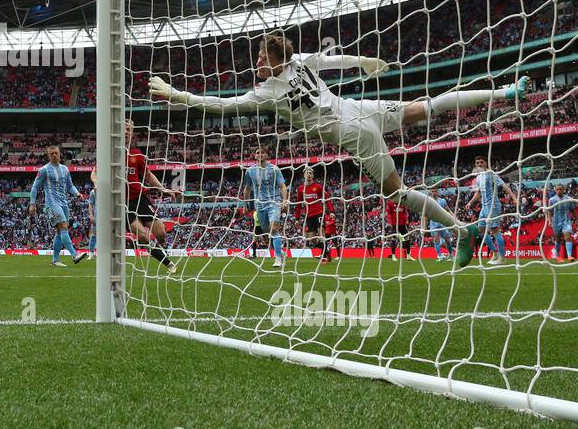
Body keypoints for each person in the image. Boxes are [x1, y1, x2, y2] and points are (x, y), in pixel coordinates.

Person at [150, 32, 531, 268]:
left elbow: (220, 105)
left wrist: (175, 94)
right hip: (358, 107)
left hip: (352, 132)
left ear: (275, 59)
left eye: (262, 57)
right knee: (425, 106)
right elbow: (333, 60)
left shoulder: (266, 92)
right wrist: (363, 62)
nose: (258, 62)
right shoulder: (299, 62)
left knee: (395, 191)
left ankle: (461, 230)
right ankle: (506, 93)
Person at [124, 119, 180, 274]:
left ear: (132, 133)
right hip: (122, 203)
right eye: (123, 129)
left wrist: (163, 189)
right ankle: (167, 263)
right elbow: (95, 172)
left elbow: (148, 175)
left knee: (161, 232)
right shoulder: (110, 154)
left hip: (140, 199)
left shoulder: (137, 155)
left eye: (129, 129)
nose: (126, 132)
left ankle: (163, 246)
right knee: (143, 236)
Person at [28, 146, 86, 267]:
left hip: (64, 203)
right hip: (52, 204)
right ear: (48, 155)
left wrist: (77, 193)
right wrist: (32, 203)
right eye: (52, 154)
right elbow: (35, 187)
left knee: (60, 232)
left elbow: (70, 186)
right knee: (63, 227)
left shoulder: (65, 169)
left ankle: (55, 260)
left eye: (56, 153)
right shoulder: (44, 170)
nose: (54, 155)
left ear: (60, 154)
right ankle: (74, 254)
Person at [467, 157, 521, 266]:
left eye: (481, 162)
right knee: (480, 231)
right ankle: (495, 253)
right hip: (484, 207)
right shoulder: (478, 178)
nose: (480, 164)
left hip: (493, 206)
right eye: (477, 163)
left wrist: (514, 198)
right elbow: (478, 193)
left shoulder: (491, 174)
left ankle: (502, 257)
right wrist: (470, 202)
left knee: (495, 231)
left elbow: (504, 186)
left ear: (486, 163)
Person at [246, 147, 289, 268]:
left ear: (267, 155)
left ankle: (278, 258)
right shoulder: (250, 171)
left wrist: (285, 201)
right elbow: (247, 188)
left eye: (262, 152)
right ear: (254, 155)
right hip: (260, 205)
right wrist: (245, 205)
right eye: (257, 152)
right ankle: (280, 252)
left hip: (274, 202)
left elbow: (282, 186)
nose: (260, 154)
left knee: (274, 229)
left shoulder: (274, 169)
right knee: (267, 231)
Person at [547, 183, 576, 262]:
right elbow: (549, 211)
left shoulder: (568, 199)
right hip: (556, 222)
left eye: (560, 189)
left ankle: (569, 256)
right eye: (557, 189)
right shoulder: (552, 200)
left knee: (568, 236)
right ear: (555, 190)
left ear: (563, 190)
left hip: (566, 222)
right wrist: (549, 220)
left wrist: (576, 218)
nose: (559, 191)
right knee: (558, 239)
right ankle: (557, 256)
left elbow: (573, 210)